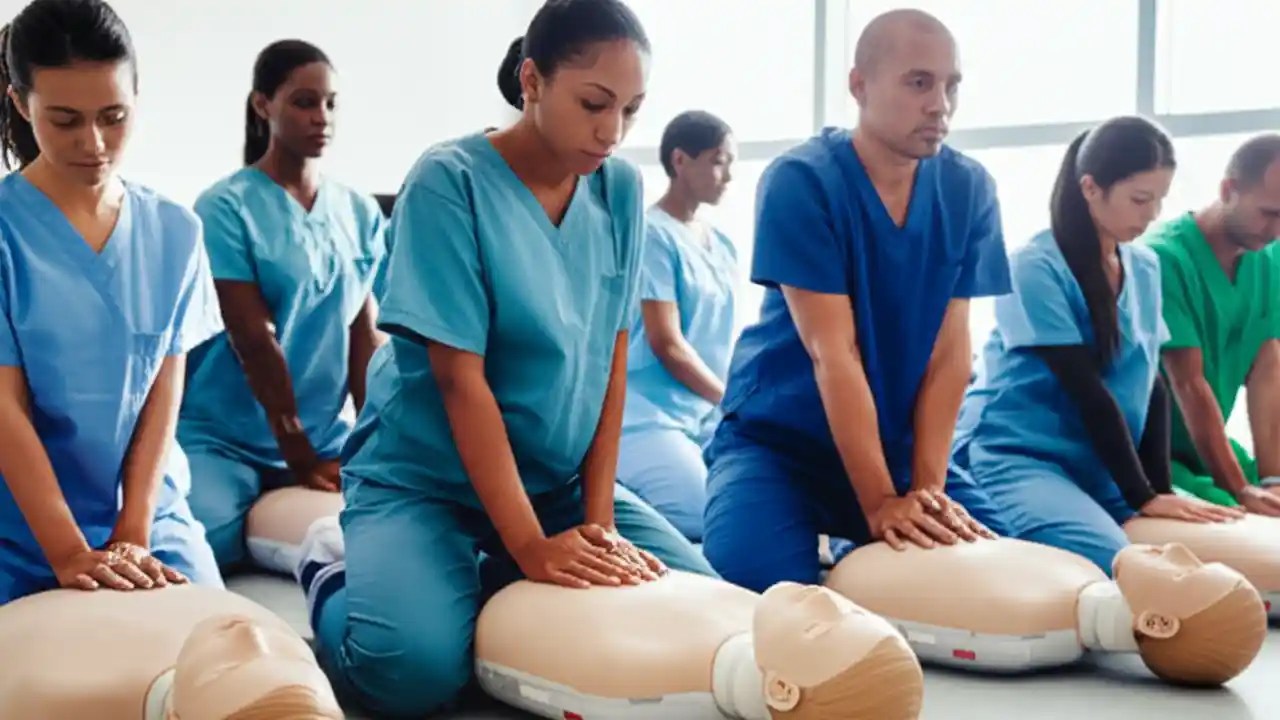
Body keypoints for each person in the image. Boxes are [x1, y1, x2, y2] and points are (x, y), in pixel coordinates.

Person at [298, 1, 713, 715]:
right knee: (413, 674)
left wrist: (598, 526)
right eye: (594, 104)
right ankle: (335, 572)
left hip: (552, 481)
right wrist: (530, 546)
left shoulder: (619, 189)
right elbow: (459, 381)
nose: (612, 132)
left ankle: (474, 577)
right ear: (532, 81)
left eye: (630, 110)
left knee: (698, 603)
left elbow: (611, 363)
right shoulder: (449, 181)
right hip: (425, 479)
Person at [700, 8, 1009, 594]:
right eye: (919, 82)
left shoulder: (969, 189)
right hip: (781, 445)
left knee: (1002, 574)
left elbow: (950, 356)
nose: (940, 104)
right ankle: (846, 538)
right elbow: (833, 354)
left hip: (897, 451)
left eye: (951, 85)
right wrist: (879, 506)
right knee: (762, 592)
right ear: (859, 85)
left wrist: (925, 495)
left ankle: (857, 549)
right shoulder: (802, 180)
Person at [0, 0, 223, 604]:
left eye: (113, 116)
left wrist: (134, 535)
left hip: (145, 512)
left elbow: (163, 390)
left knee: (221, 641)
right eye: (65, 120)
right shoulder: (7, 234)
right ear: (21, 103)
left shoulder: (175, 231)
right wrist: (68, 553)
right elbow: (5, 409)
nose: (94, 143)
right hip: (17, 525)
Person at [949, 116, 1243, 575]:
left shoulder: (1144, 266)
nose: (1151, 214)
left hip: (1099, 464)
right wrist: (1141, 496)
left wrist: (1159, 490)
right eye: (1140, 200)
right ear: (1090, 188)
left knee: (1217, 547)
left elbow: (1151, 385)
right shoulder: (1034, 267)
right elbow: (1087, 391)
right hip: (1019, 457)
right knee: (1117, 562)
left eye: (1160, 200)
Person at [177, 40, 387, 572]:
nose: (322, 117)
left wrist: (372, 445)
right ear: (262, 104)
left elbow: (363, 338)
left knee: (393, 522)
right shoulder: (224, 207)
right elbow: (253, 339)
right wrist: (300, 459)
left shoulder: (359, 212)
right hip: (225, 437)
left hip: (324, 436)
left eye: (330, 104)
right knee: (199, 545)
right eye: (304, 102)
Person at [617, 109, 739, 540]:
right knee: (703, 519)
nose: (728, 176)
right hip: (649, 417)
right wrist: (730, 399)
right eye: (719, 161)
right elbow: (667, 344)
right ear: (680, 160)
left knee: (753, 506)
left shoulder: (722, 245)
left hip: (705, 416)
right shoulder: (652, 234)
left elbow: (721, 340)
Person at [1145, 133, 1280, 515]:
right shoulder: (1162, 258)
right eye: (1268, 213)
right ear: (1227, 190)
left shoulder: (1268, 258)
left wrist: (1272, 480)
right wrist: (1241, 489)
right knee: (1238, 515)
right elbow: (1189, 384)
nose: (1275, 231)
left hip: (1212, 447)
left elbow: (1267, 370)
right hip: (1156, 454)